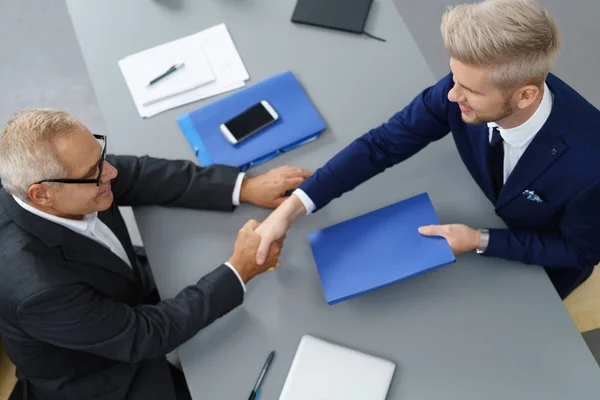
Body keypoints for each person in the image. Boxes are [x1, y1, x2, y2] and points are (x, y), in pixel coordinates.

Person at [255, 0, 600, 300]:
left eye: (469, 91)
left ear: (525, 95)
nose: (451, 96)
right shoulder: (459, 89)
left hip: (541, 271)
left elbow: (579, 251)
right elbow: (383, 144)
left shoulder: (591, 168)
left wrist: (479, 239)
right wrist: (290, 209)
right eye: (454, 79)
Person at [0, 108, 311, 400]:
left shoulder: (61, 179)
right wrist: (239, 270)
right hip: (105, 375)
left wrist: (243, 187)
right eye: (95, 171)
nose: (111, 171)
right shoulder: (38, 291)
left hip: (119, 290)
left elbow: (135, 174)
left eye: (102, 156)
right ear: (41, 195)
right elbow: (145, 334)